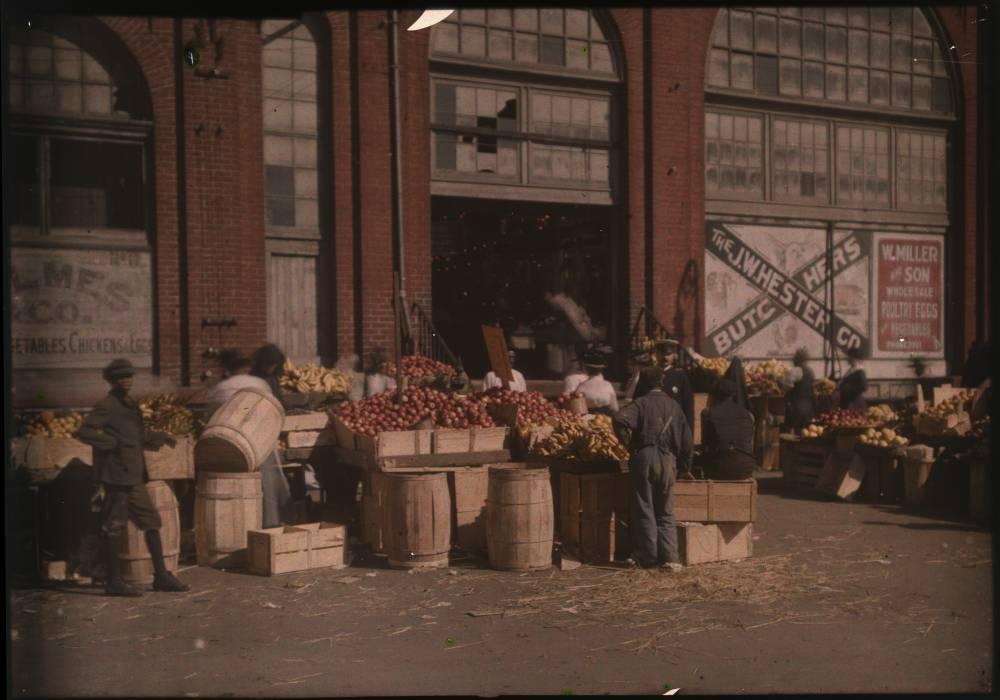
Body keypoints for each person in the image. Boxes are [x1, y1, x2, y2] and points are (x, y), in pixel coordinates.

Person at [76, 358, 190, 597]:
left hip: (134, 475)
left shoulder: (129, 404)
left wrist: (161, 437)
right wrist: (111, 443)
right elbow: (84, 431)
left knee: (151, 521)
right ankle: (114, 581)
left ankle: (161, 576)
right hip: (117, 476)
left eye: (129, 376)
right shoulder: (107, 405)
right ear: (112, 381)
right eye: (120, 377)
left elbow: (136, 435)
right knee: (114, 526)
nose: (126, 381)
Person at [613, 366, 693, 570]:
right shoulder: (675, 406)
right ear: (662, 382)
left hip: (644, 458)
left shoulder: (640, 403)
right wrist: (684, 466)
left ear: (645, 383)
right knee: (666, 510)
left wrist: (628, 443)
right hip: (668, 460)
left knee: (645, 508)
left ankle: (649, 557)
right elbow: (687, 442)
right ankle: (670, 558)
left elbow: (619, 418)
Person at [250, 343, 294, 529]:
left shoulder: (273, 379)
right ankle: (271, 522)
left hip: (274, 428)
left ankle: (279, 518)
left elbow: (278, 401)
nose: (272, 368)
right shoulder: (256, 380)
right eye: (270, 364)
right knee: (267, 482)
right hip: (261, 433)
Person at [697, 378, 757, 480]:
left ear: (714, 395)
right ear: (733, 395)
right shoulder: (749, 415)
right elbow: (750, 446)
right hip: (745, 467)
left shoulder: (707, 413)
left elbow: (705, 444)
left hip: (719, 466)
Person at [205, 349, 271, 410]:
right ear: (246, 368)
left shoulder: (220, 387)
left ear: (227, 369)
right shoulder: (261, 383)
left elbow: (213, 412)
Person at [783, 348, 816, 433]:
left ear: (797, 359)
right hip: (809, 406)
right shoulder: (811, 371)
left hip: (797, 406)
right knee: (807, 431)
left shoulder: (796, 370)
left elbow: (787, 386)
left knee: (797, 431)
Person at [576, 352, 619, 416]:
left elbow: (577, 410)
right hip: (605, 421)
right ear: (601, 370)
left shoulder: (581, 387)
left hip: (586, 422)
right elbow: (615, 408)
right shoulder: (607, 385)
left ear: (585, 369)